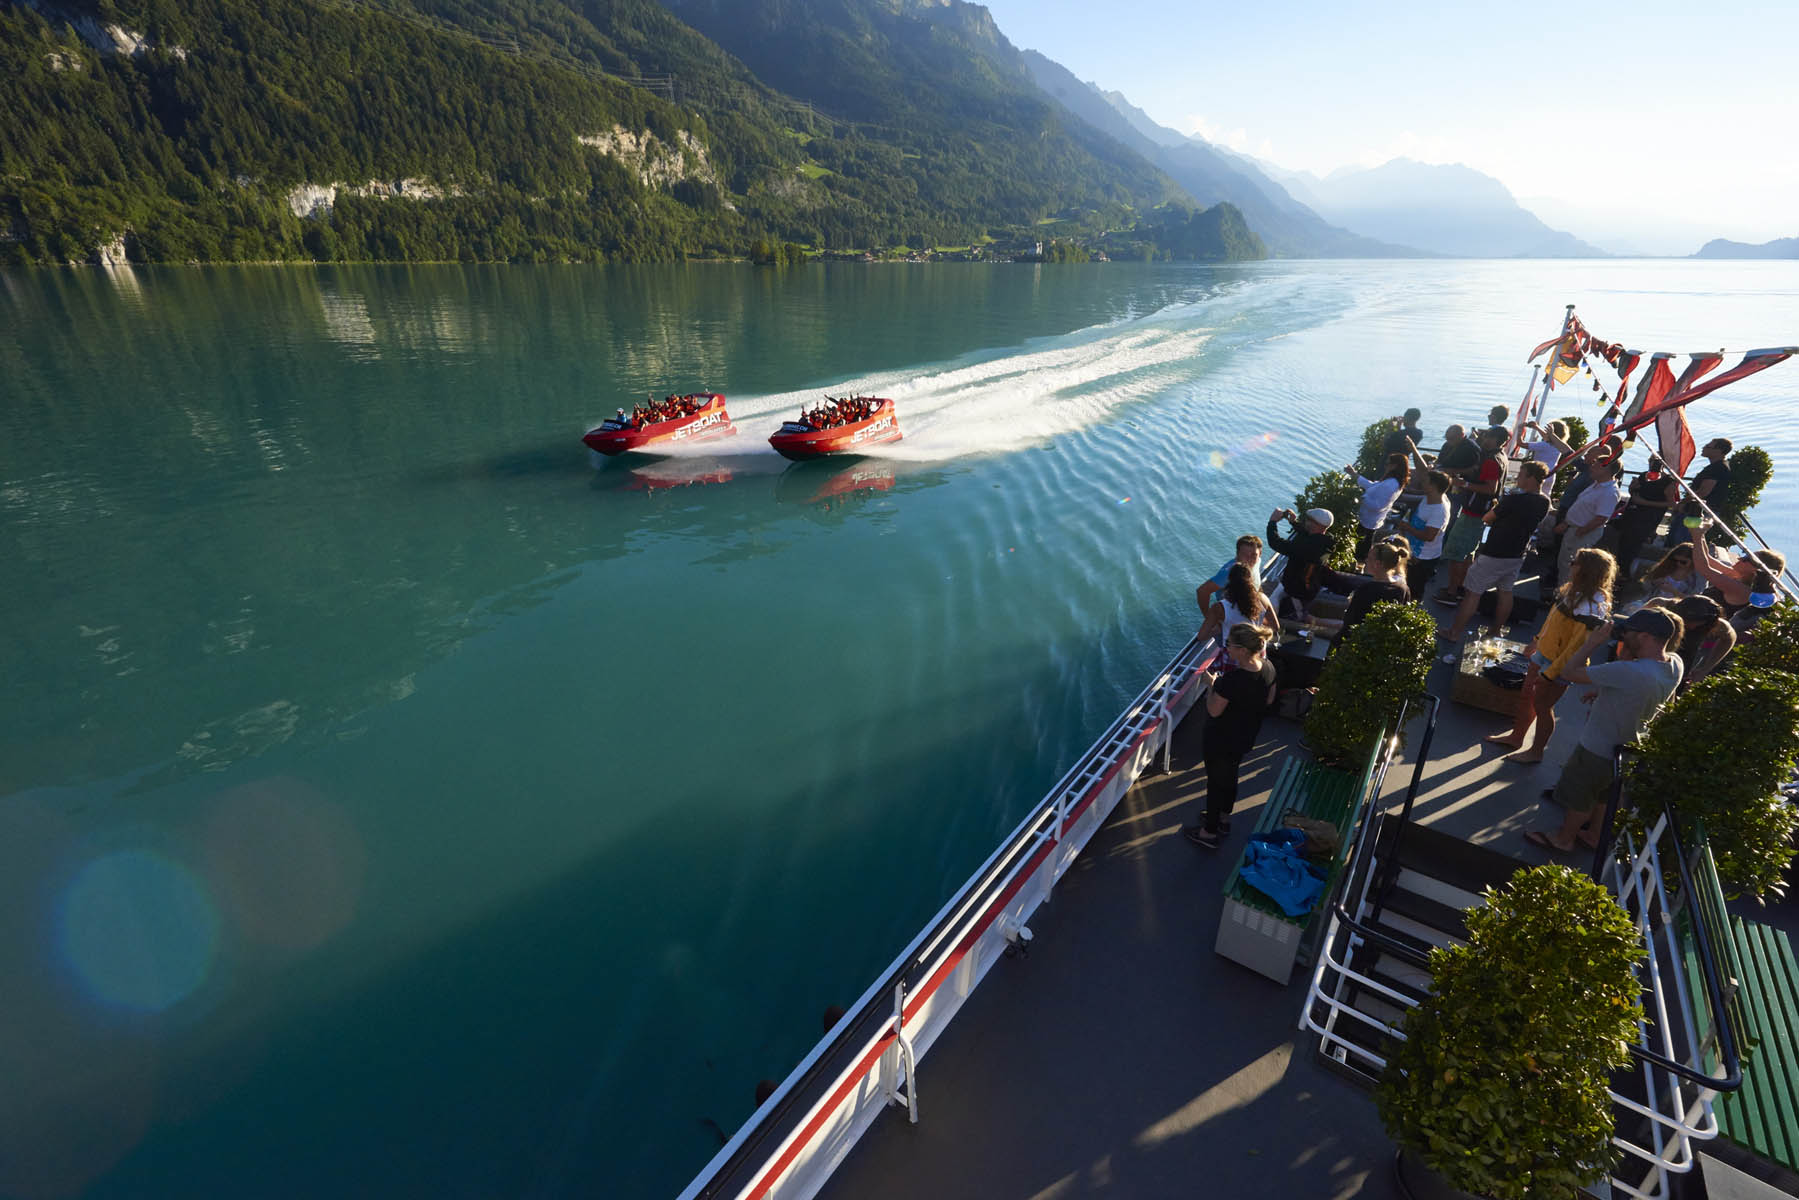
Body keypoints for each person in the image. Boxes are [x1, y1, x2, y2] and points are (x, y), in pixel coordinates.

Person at [1523, 608, 1684, 856]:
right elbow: (1643, 689)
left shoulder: (1629, 672)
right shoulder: (1674, 663)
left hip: (1597, 748)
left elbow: (1568, 672)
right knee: (1606, 795)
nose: (1623, 635)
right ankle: (1594, 836)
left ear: (1645, 636)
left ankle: (1563, 839)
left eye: (1629, 632)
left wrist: (1591, 643)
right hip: (1629, 747)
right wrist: (1603, 690)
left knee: (1581, 796)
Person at [1486, 547, 1615, 764]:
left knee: (1543, 707)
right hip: (1543, 654)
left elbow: (1576, 647)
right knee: (1527, 697)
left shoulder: (1592, 606)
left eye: (1575, 562)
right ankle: (1516, 737)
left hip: (1559, 665)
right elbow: (1552, 620)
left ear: (1586, 570)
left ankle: (1536, 752)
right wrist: (1537, 640)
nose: (1571, 564)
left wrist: (1550, 674)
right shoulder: (1574, 590)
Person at [1182, 623, 1278, 850]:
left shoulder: (1231, 680)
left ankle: (1209, 833)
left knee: (1216, 783)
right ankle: (1224, 818)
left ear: (1242, 650)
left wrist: (1211, 686)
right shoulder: (1268, 667)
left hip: (1220, 739)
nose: (1227, 648)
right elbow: (1269, 699)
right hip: (1246, 736)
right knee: (1231, 775)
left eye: (1229, 645)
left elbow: (1214, 710)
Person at [1442, 461, 1551, 645]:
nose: (1517, 478)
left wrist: (1499, 505)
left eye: (1521, 474)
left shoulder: (1514, 500)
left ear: (1531, 478)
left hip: (1494, 552)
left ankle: (1454, 632)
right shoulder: (1544, 502)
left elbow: (1487, 518)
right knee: (1505, 592)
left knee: (1472, 593)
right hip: (1517, 554)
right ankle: (1495, 631)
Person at [1432, 426, 1509, 605]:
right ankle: (1461, 588)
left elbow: (1490, 488)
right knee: (1468, 553)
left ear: (1497, 440)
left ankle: (1452, 592)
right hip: (1481, 511)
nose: (1485, 440)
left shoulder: (1491, 461)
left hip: (1474, 511)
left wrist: (1463, 484)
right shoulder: (1500, 457)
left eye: (1489, 437)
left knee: (1456, 552)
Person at [1311, 539, 1411, 643]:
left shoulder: (1367, 590)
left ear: (1377, 564)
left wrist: (1314, 622)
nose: (1365, 561)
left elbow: (1349, 626)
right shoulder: (1403, 589)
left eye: (1369, 558)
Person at [1642, 593, 1735, 688]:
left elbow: (1730, 638)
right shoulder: (1661, 605)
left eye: (1697, 623)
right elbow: (1635, 627)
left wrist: (1704, 670)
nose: (1691, 626)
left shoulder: (1715, 623)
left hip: (1679, 666)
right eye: (1687, 621)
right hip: (1647, 657)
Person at [1553, 457, 1621, 584]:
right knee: (1564, 563)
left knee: (1573, 567)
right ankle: (1561, 589)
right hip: (1574, 529)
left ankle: (1567, 592)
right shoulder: (1596, 485)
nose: (1591, 468)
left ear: (1606, 470)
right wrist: (1566, 523)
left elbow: (1601, 518)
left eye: (1596, 466)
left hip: (1583, 533)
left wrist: (1580, 532)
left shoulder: (1609, 492)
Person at [1690, 531, 1786, 621]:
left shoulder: (1743, 590)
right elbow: (1708, 559)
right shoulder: (1739, 576)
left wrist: (1697, 536)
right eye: (1745, 555)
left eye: (1747, 558)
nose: (1740, 558)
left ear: (1756, 570)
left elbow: (1703, 568)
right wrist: (1701, 534)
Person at [1265, 507, 1336, 619]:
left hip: (1296, 594)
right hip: (1306, 589)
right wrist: (1294, 522)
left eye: (1308, 519)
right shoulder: (1326, 541)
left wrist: (1272, 522)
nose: (1306, 521)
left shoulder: (1306, 548)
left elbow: (1275, 543)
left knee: (1274, 616)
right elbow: (1309, 535)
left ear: (1316, 524)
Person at [1613, 455, 1677, 574]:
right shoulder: (1644, 475)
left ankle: (1624, 574)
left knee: (1631, 548)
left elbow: (1671, 504)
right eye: (1651, 460)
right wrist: (1632, 489)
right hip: (1631, 515)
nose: (1652, 463)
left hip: (1647, 519)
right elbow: (1636, 495)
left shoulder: (1668, 481)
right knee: (1621, 544)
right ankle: (1617, 571)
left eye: (1656, 462)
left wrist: (1644, 502)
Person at [1668, 437, 1733, 546]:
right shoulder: (1718, 466)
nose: (1703, 448)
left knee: (1681, 544)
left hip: (1697, 513)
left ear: (1719, 451)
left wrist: (1682, 502)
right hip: (1696, 510)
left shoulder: (1718, 468)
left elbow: (1703, 492)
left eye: (1708, 446)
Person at [1198, 563, 1281, 643]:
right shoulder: (1262, 598)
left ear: (1229, 582)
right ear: (1251, 580)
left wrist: (1218, 630)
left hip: (1233, 651)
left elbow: (1202, 636)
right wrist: (1255, 627)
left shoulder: (1219, 607)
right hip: (1257, 648)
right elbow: (1275, 627)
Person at [1348, 453, 1409, 560]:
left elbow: (1378, 506)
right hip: (1370, 520)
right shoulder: (1391, 481)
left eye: (1388, 464)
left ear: (1395, 466)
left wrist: (1361, 499)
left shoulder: (1391, 484)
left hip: (1368, 521)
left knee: (1359, 550)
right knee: (1362, 546)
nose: (1386, 466)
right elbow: (1372, 486)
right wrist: (1354, 474)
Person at [1404, 470, 1452, 599]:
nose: (1422, 482)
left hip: (1423, 558)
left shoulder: (1439, 511)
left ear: (1433, 486)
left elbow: (1429, 537)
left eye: (1425, 481)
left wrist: (1406, 527)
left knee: (1414, 592)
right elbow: (1423, 469)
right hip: (1414, 552)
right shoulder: (1430, 497)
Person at [1196, 534, 1265, 612]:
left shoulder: (1257, 561)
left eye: (1253, 555)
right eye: (1244, 554)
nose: (1249, 559)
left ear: (1260, 554)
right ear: (1237, 554)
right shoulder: (1229, 572)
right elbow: (1202, 591)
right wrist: (1207, 615)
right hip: (1231, 611)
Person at [1623, 545, 1703, 612]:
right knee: (1631, 608)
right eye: (1675, 560)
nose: (1678, 564)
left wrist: (1673, 591)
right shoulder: (1666, 567)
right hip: (1650, 602)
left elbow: (1693, 602)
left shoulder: (1695, 578)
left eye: (1683, 562)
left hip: (1674, 609)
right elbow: (1645, 586)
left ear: (1693, 561)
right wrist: (1654, 582)